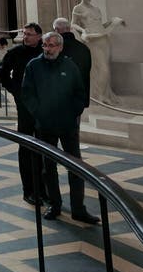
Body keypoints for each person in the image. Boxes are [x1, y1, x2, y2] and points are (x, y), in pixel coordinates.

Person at [22, 31, 99, 224]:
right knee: (48, 168)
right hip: (45, 125)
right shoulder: (34, 66)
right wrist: (39, 113)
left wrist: (72, 113)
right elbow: (28, 94)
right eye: (45, 45)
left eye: (51, 46)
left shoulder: (69, 66)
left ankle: (78, 209)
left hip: (67, 125)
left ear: (60, 47)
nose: (47, 49)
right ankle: (54, 205)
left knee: (76, 167)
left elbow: (79, 93)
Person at [0, 23, 45, 205]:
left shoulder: (44, 50)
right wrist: (15, 91)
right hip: (25, 105)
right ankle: (29, 190)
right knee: (26, 146)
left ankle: (44, 189)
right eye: (24, 34)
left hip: (44, 106)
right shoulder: (16, 52)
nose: (26, 37)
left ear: (39, 36)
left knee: (45, 146)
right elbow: (1, 71)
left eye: (30, 34)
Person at [71, 0, 123, 104]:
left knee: (105, 68)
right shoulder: (78, 8)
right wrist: (83, 30)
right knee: (102, 68)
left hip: (103, 39)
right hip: (92, 40)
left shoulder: (96, 9)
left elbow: (101, 26)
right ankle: (100, 96)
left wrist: (112, 21)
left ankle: (104, 94)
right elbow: (73, 24)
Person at [53, 17, 92, 108]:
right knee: (76, 119)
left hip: (61, 95)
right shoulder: (84, 48)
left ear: (56, 30)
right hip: (80, 93)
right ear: (69, 28)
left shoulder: (56, 48)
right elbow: (88, 69)